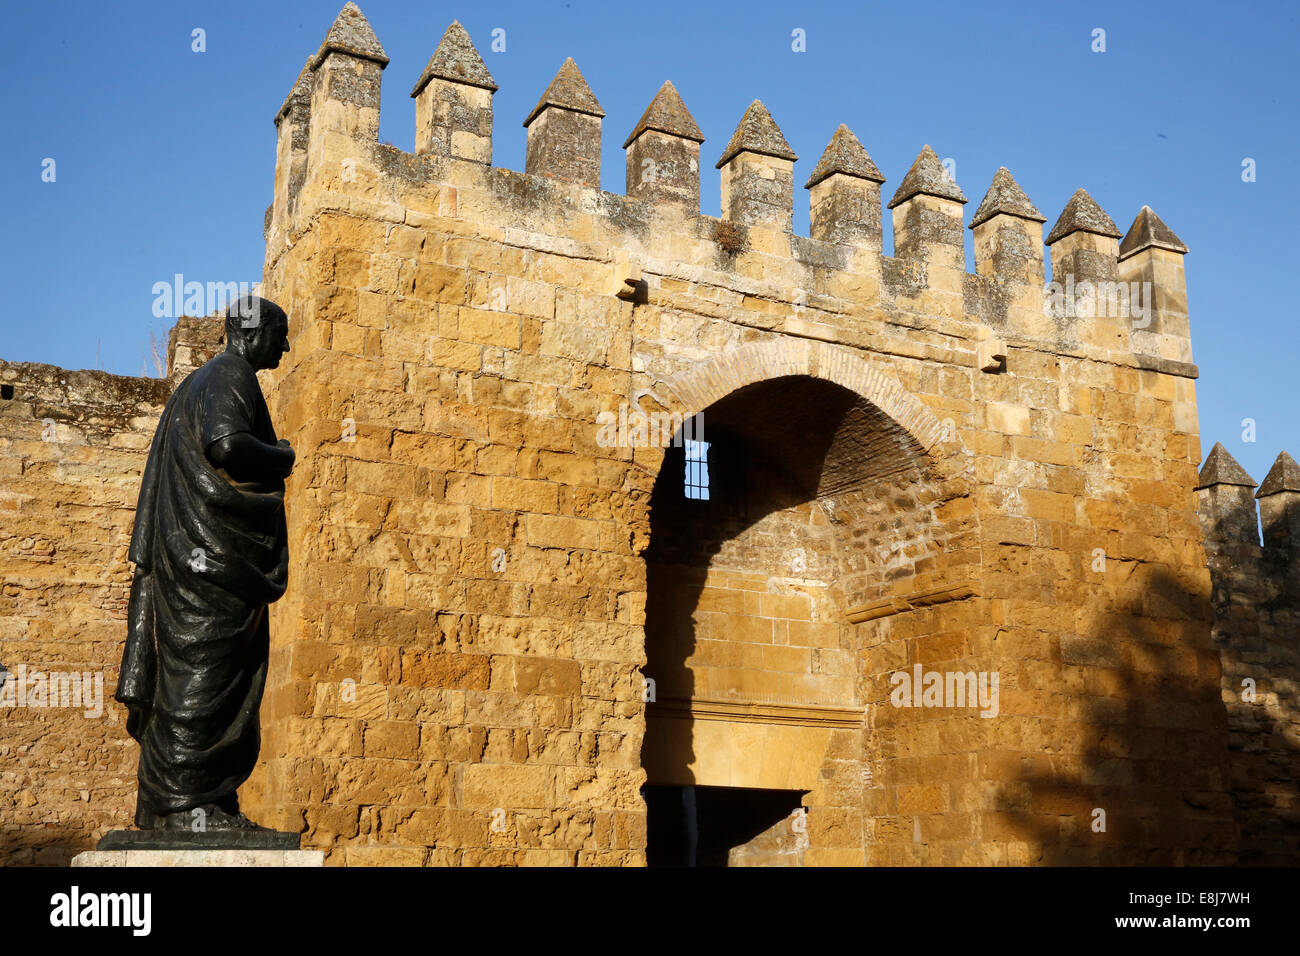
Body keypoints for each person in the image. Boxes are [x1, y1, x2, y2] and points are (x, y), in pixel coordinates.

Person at [117, 295, 294, 831]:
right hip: (210, 565)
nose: (285, 345)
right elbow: (229, 446)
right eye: (279, 333)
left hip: (198, 559)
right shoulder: (229, 375)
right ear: (252, 332)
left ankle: (187, 803)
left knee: (200, 677)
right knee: (204, 676)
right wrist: (282, 455)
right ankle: (184, 805)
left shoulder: (198, 383)